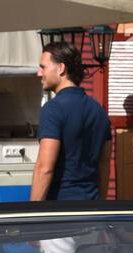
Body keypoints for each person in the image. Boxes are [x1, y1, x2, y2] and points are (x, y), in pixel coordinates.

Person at [30, 41, 112, 202]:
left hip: (61, 207)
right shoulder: (99, 111)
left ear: (61, 68)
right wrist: (100, 205)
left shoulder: (53, 109)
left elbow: (44, 168)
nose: (39, 73)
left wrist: (32, 212)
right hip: (92, 204)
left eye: (43, 67)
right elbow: (104, 165)